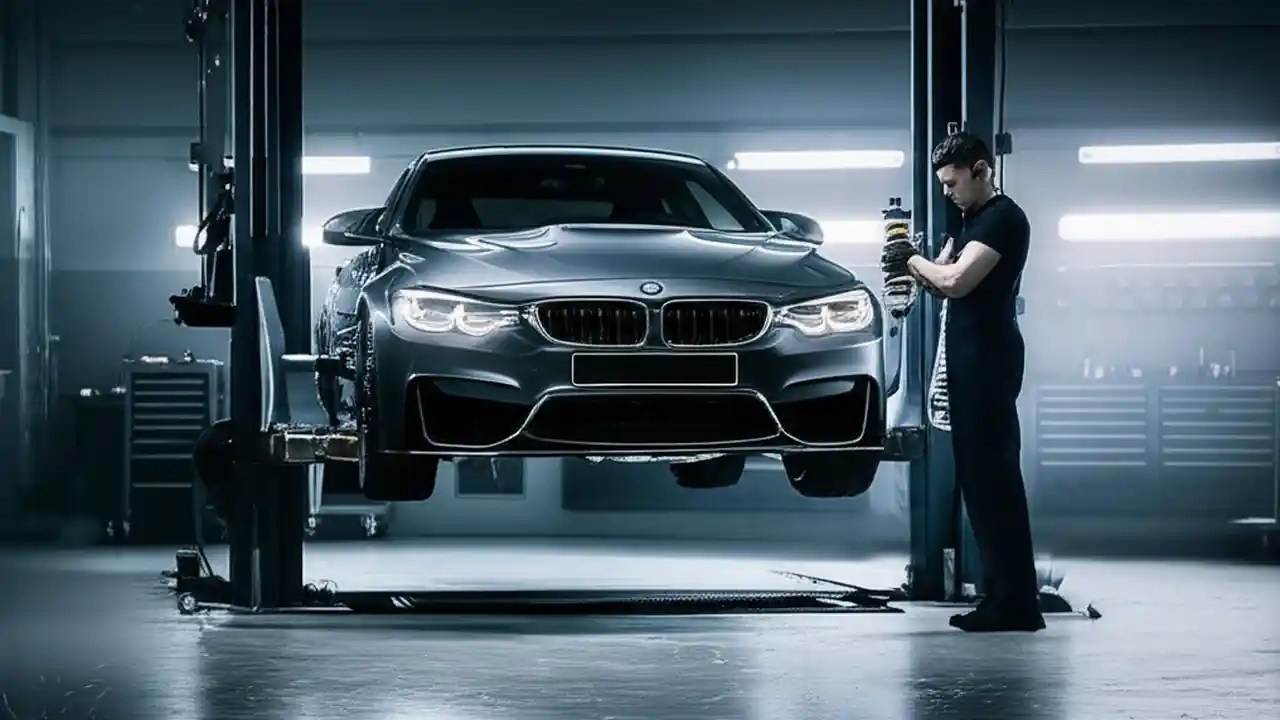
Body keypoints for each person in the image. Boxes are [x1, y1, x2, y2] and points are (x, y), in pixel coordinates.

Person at [882, 131, 1044, 632]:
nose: (947, 192)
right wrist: (917, 266)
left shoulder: (1002, 218)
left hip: (989, 365)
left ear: (981, 171)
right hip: (970, 366)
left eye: (952, 183)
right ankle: (1004, 600)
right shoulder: (973, 223)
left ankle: (1016, 605)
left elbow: (955, 282)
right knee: (980, 485)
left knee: (996, 484)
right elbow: (943, 282)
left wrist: (909, 258)